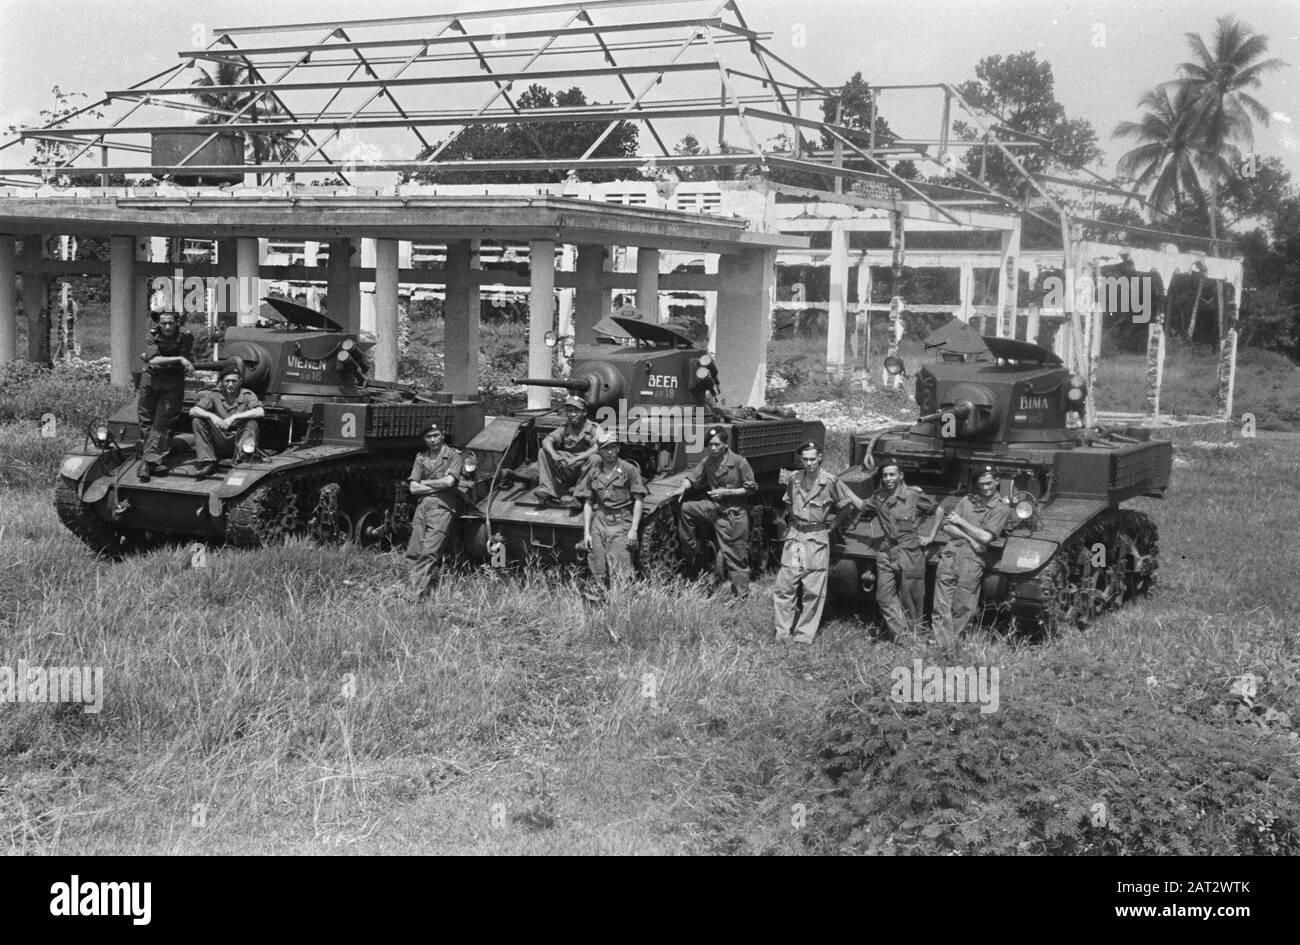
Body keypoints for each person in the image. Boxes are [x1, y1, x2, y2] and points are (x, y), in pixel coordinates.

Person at [773, 441, 866, 644]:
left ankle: (803, 636)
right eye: (805, 459)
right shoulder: (794, 479)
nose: (809, 463)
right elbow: (788, 502)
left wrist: (831, 527)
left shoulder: (830, 481)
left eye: (812, 459)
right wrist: (795, 522)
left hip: (817, 539)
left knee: (813, 590)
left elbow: (846, 506)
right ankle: (782, 633)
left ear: (820, 458)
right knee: (784, 586)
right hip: (795, 536)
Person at [675, 426, 757, 597]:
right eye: (710, 445)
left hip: (733, 513)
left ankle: (741, 597)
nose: (713, 448)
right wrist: (683, 487)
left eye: (716, 444)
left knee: (736, 559)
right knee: (686, 508)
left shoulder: (740, 462)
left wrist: (726, 492)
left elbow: (750, 489)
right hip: (714, 508)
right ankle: (692, 549)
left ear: (725, 445)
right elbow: (694, 476)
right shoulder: (708, 461)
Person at [932, 467, 1012, 641]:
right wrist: (971, 538)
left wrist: (961, 522)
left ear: (997, 481)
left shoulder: (1001, 508)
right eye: (981, 484)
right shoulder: (966, 500)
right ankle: (940, 642)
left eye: (989, 483)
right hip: (950, 554)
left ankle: (954, 644)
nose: (985, 488)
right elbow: (946, 526)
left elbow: (986, 536)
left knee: (963, 606)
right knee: (941, 604)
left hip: (972, 561)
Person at [863, 458, 938, 638]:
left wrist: (932, 535)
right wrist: (842, 490)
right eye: (885, 475)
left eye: (892, 474)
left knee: (911, 598)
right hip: (888, 550)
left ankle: (913, 638)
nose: (889, 478)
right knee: (884, 598)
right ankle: (902, 636)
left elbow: (938, 510)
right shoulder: (879, 496)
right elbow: (861, 505)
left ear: (900, 475)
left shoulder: (913, 495)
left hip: (910, 551)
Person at [575, 429, 647, 593]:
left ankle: (621, 607)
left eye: (613, 447)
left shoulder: (629, 470)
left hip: (620, 522)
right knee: (596, 567)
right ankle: (596, 608)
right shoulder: (594, 472)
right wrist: (586, 533)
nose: (609, 452)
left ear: (618, 448)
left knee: (621, 570)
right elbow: (588, 502)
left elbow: (638, 500)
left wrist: (633, 530)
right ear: (599, 451)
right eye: (605, 448)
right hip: (599, 522)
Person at [406, 422, 464, 596]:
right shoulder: (421, 458)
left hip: (442, 507)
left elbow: (449, 482)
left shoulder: (454, 456)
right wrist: (436, 486)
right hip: (422, 507)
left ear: (442, 435)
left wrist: (425, 483)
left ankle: (413, 594)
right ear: (424, 439)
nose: (433, 440)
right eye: (428, 437)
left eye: (436, 435)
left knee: (430, 551)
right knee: (414, 550)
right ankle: (409, 585)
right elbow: (413, 488)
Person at [135, 310, 194, 481]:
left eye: (170, 323)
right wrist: (179, 360)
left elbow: (153, 358)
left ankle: (147, 462)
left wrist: (157, 359)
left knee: (163, 423)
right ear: (158, 323)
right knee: (146, 420)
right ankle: (154, 459)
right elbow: (153, 360)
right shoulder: (152, 334)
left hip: (172, 382)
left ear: (177, 323)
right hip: (151, 380)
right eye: (163, 323)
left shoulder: (185, 336)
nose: (167, 327)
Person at [188, 368, 265, 476]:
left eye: (234, 381)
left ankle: (241, 460)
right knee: (198, 420)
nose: (230, 384)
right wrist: (212, 416)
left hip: (239, 439)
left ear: (240, 381)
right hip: (220, 438)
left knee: (252, 422)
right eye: (227, 381)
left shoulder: (247, 395)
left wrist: (234, 417)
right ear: (222, 382)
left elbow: (260, 412)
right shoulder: (215, 394)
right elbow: (193, 410)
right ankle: (208, 461)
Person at [535, 396, 600, 503]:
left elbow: (597, 448)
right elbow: (547, 440)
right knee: (543, 451)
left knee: (596, 458)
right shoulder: (565, 427)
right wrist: (554, 455)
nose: (572, 414)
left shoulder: (593, 428)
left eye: (576, 411)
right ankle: (547, 490)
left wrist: (576, 459)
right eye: (570, 411)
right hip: (567, 467)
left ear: (584, 412)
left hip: (584, 469)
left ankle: (581, 495)